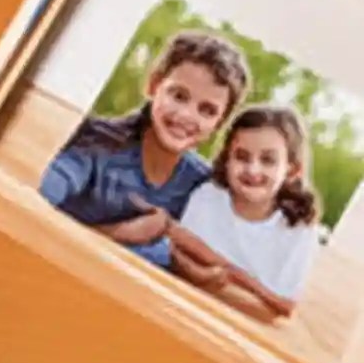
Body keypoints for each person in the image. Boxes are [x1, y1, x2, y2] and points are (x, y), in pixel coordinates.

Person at [39, 32, 250, 267]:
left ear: (219, 124)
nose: (186, 116)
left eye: (207, 110)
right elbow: (35, 206)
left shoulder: (202, 186)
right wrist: (121, 234)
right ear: (153, 85)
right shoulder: (95, 143)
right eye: (179, 96)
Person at [168, 106, 322, 320]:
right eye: (241, 157)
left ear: (291, 170)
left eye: (268, 160)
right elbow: (179, 259)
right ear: (227, 160)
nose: (253, 170)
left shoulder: (299, 229)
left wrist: (225, 275)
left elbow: (281, 307)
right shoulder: (209, 197)